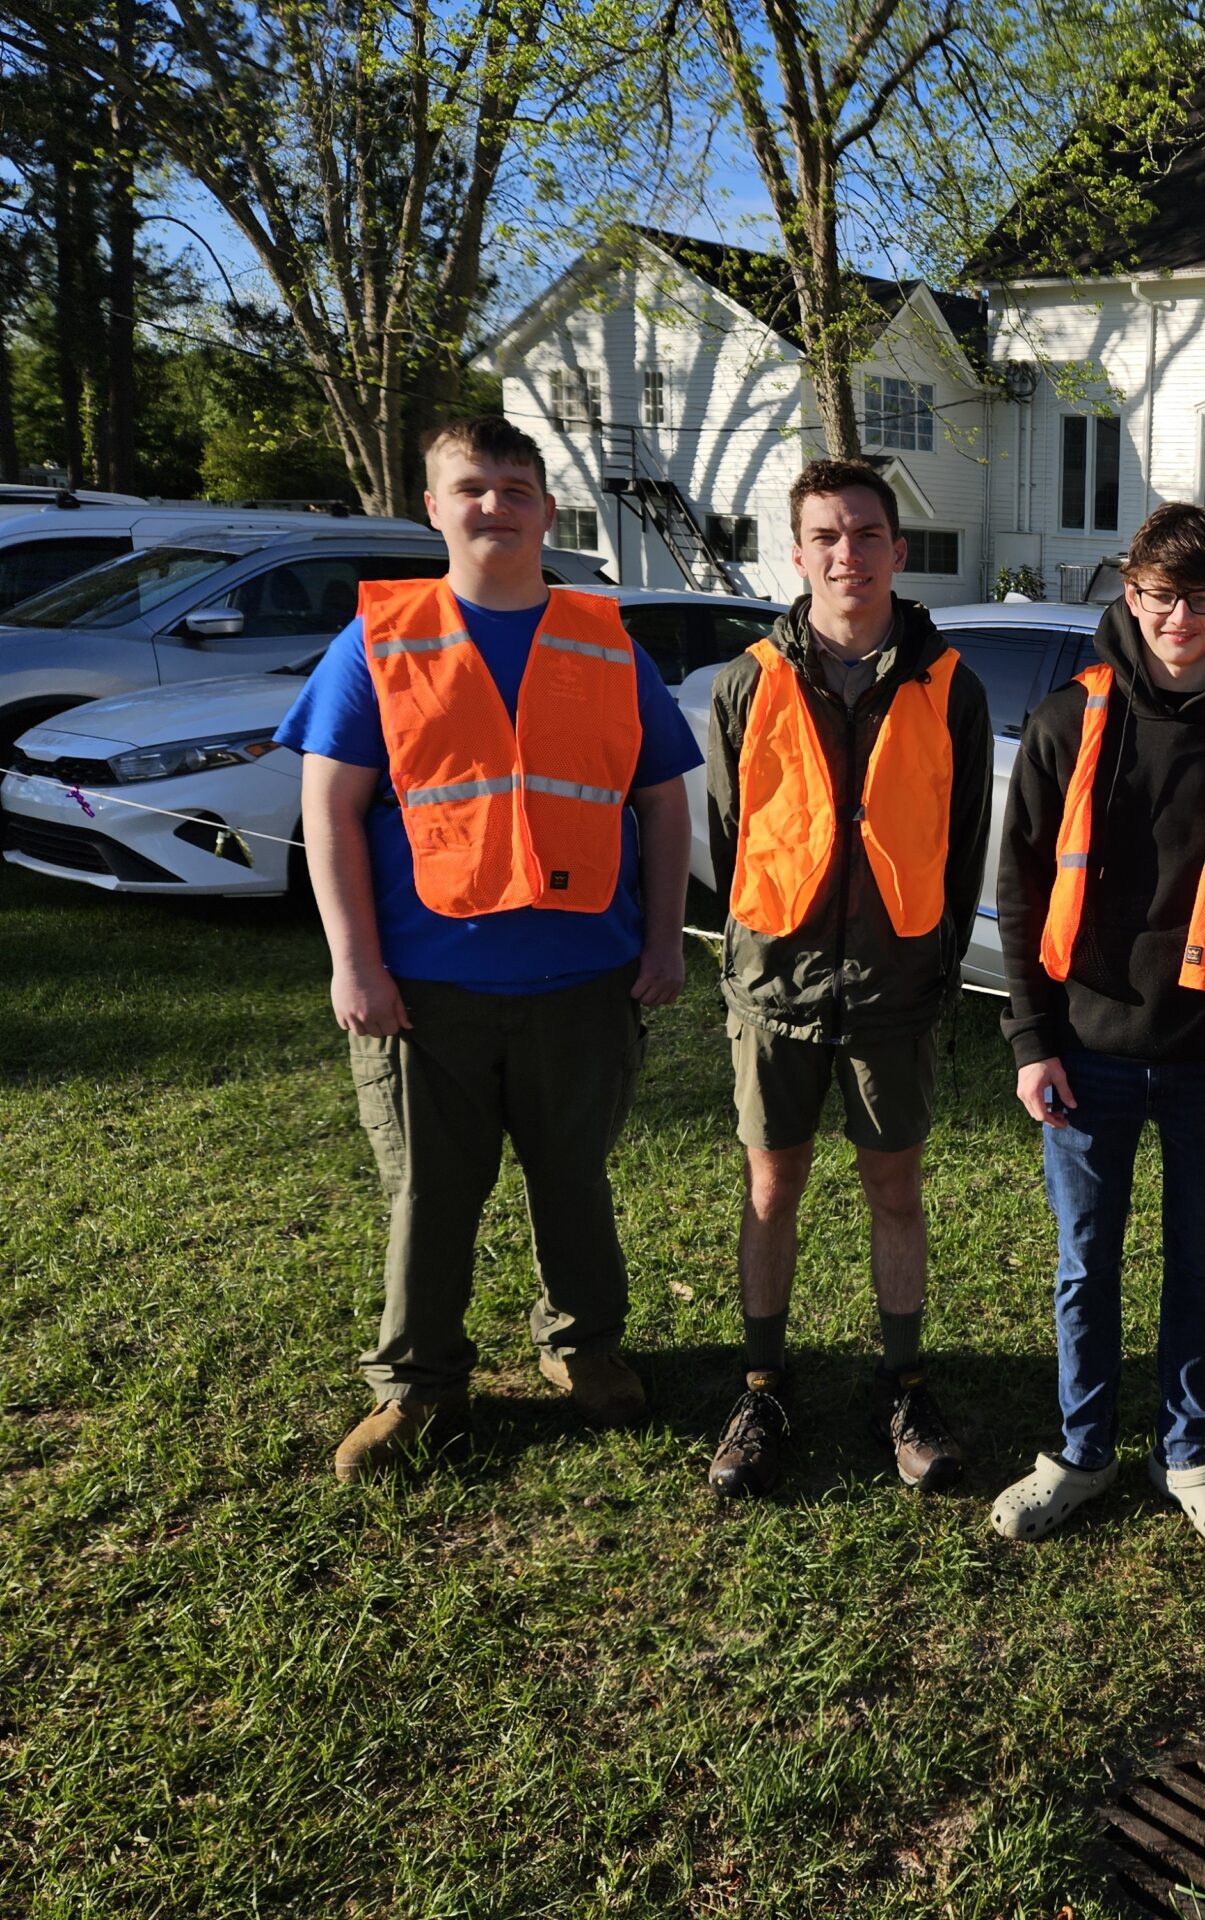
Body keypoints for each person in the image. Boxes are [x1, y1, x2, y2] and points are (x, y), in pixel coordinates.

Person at [285, 414, 701, 1482]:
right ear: (433, 507)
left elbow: (661, 805)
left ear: (546, 511)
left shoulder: (605, 639)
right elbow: (328, 813)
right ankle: (417, 1389)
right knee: (429, 1195)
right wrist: (354, 963)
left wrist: (663, 943)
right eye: (470, 488)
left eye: (516, 489)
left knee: (575, 1182)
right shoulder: (378, 641)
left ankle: (584, 1348)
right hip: (427, 993)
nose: (494, 508)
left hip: (584, 982)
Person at [988, 503, 1205, 1547]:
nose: (1176, 616)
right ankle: (1081, 1451)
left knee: (1198, 1264)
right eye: (1156, 595)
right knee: (1084, 1263)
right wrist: (1030, 1040)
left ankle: (1186, 1453)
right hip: (1085, 1053)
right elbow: (1016, 889)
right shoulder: (1067, 719)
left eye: (1201, 597)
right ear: (1128, 595)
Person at [701, 458, 992, 1499]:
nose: (847, 553)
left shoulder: (950, 682)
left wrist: (930, 955)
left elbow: (965, 845)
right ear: (798, 552)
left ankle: (903, 1385)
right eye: (826, 535)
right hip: (773, 984)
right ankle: (763, 1385)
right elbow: (731, 837)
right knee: (770, 1188)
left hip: (894, 987)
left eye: (866, 534)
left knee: (893, 1191)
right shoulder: (748, 682)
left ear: (896, 551)